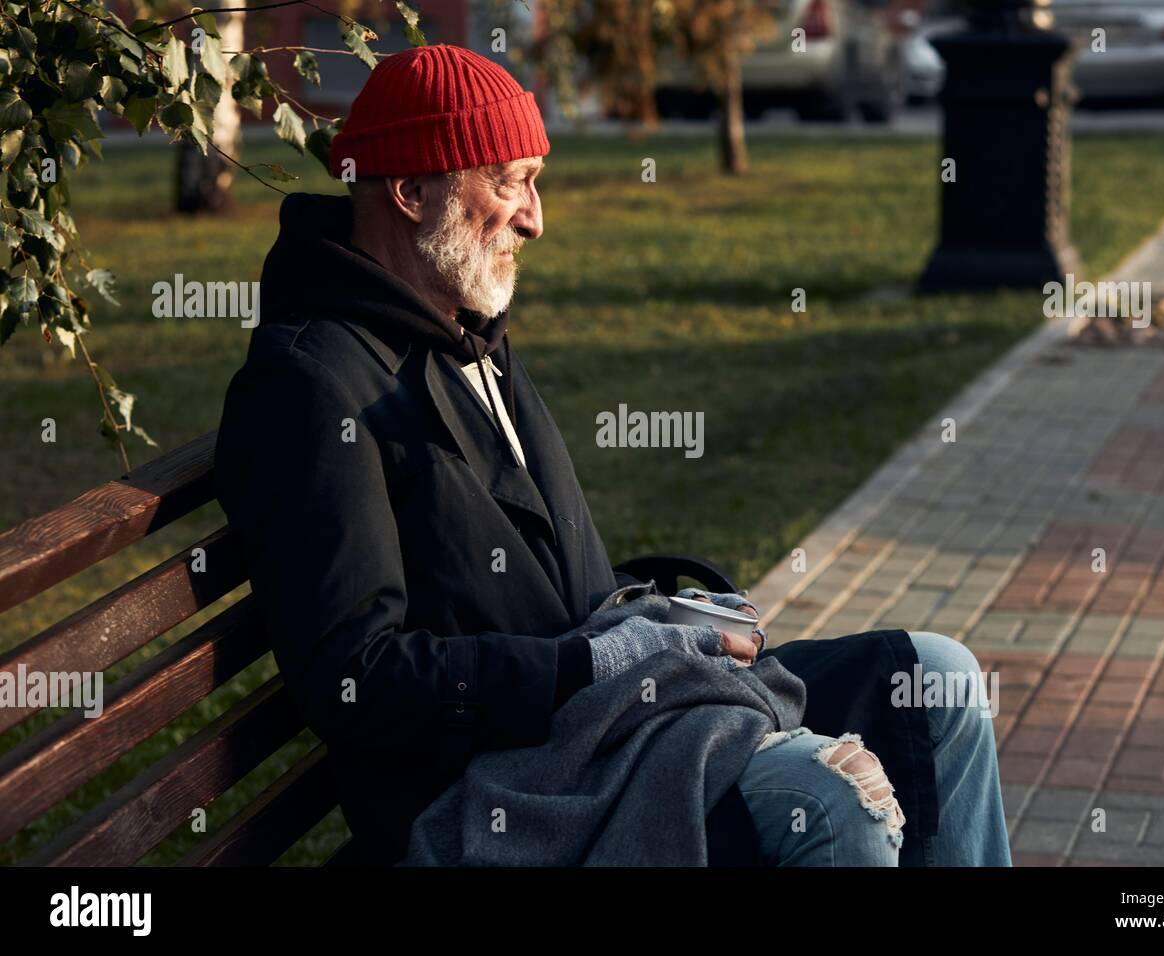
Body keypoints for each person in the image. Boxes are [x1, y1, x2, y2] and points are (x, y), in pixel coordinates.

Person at [214, 44, 1011, 867]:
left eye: (534, 181)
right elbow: (361, 680)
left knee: (940, 681)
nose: (534, 217)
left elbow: (558, 592)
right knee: (828, 795)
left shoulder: (461, 330)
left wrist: (666, 626)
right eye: (509, 181)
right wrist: (595, 660)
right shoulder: (313, 385)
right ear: (413, 193)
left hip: (614, 724)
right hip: (505, 789)